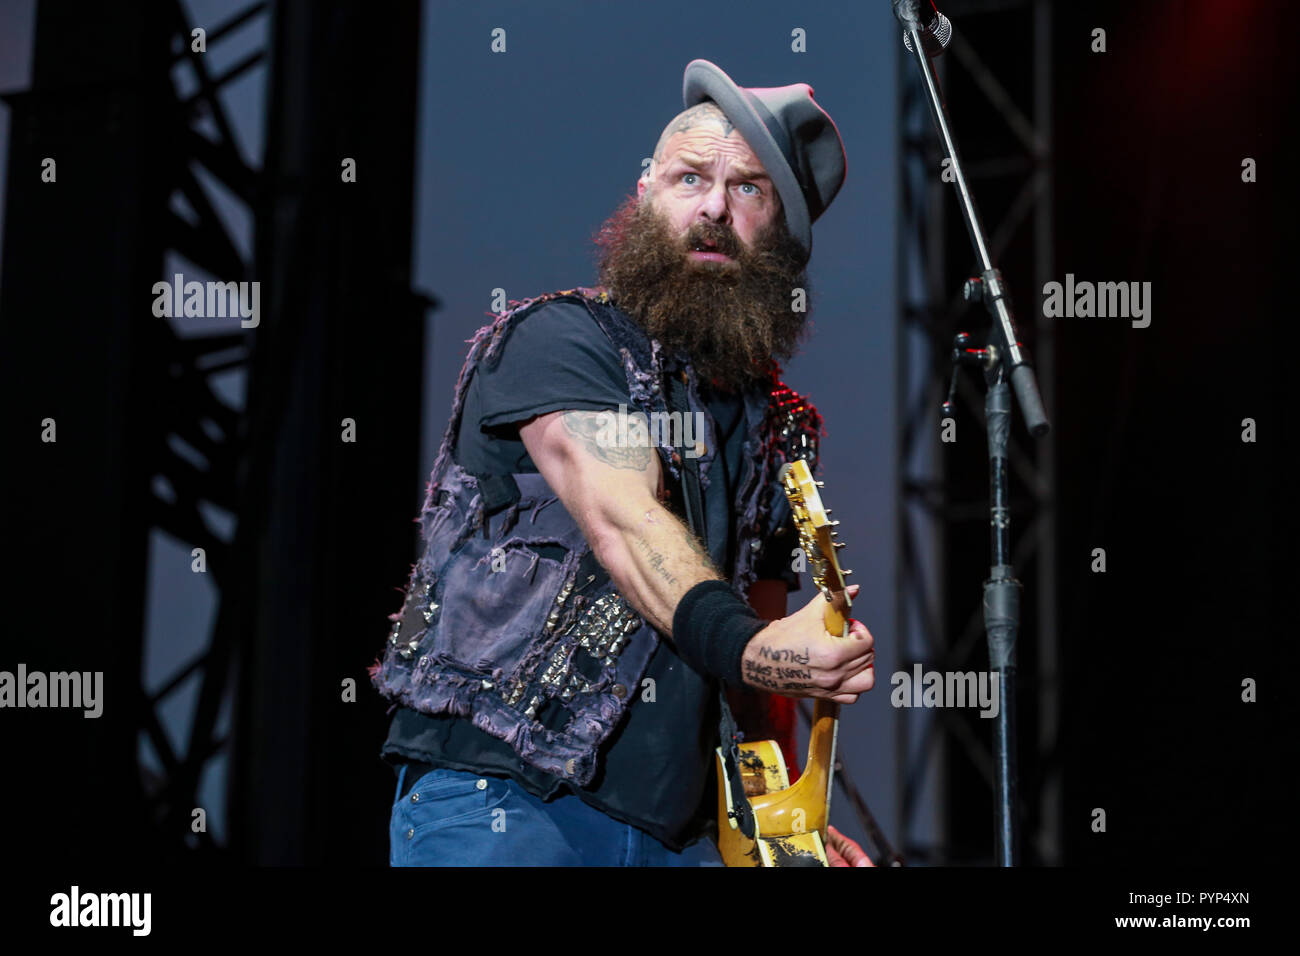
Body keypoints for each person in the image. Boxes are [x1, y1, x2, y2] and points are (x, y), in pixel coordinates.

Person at [370, 59, 876, 867]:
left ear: (781, 240)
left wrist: (783, 820)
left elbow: (761, 648)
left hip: (684, 837)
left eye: (749, 189)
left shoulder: (778, 432)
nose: (713, 205)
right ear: (645, 194)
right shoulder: (561, 342)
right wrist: (753, 647)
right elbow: (627, 522)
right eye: (690, 177)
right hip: (510, 803)